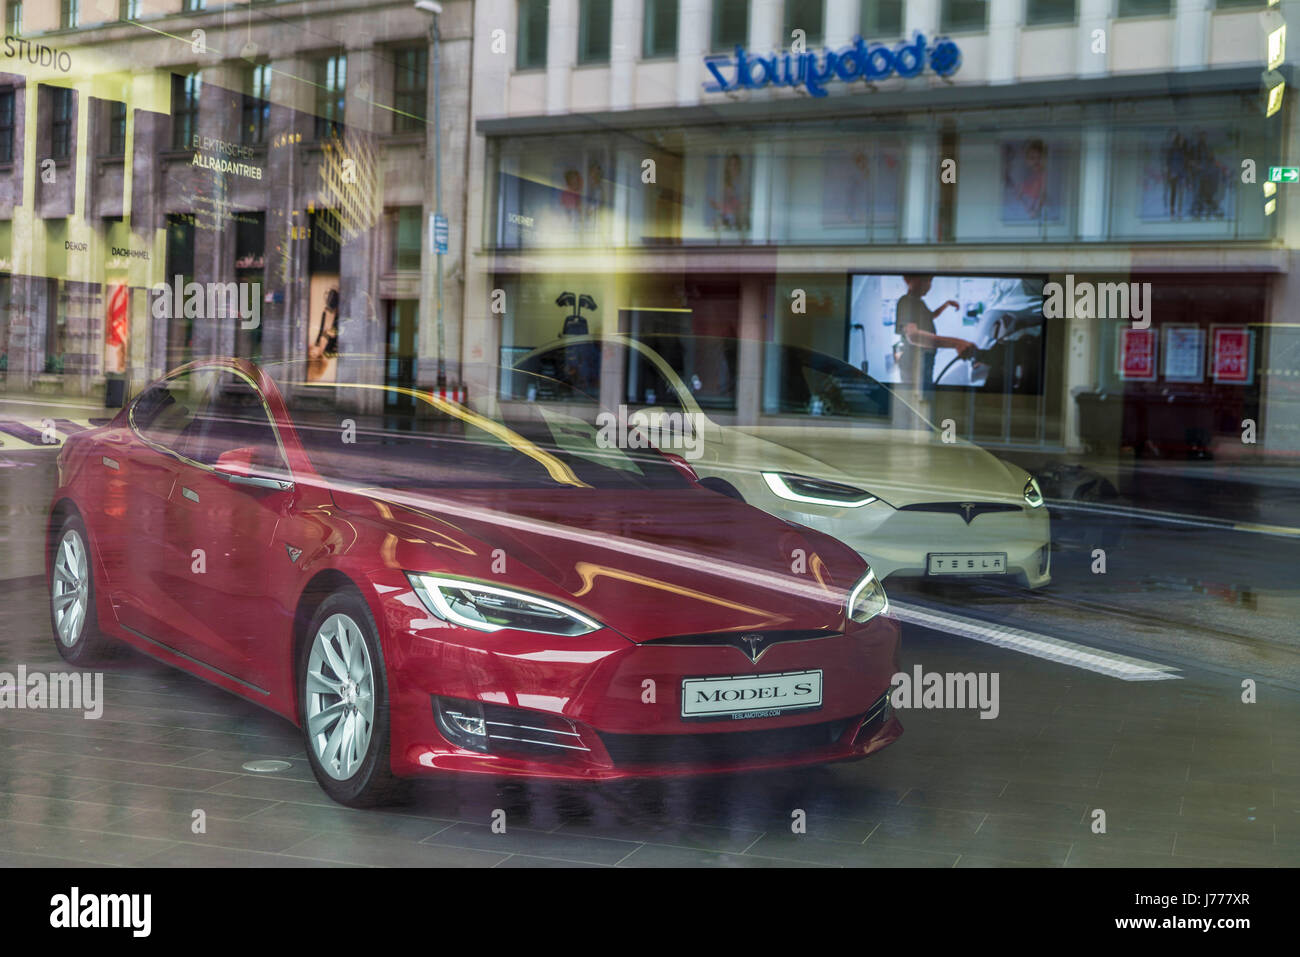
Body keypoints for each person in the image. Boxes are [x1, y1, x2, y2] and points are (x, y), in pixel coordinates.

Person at [896, 275, 976, 400]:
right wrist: (956, 343)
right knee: (917, 400)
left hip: (925, 359)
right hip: (914, 362)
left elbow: (930, 316)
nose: (928, 285)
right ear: (908, 280)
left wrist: (946, 304)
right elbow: (913, 336)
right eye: (925, 280)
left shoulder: (918, 302)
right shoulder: (906, 301)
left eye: (930, 281)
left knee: (925, 397)